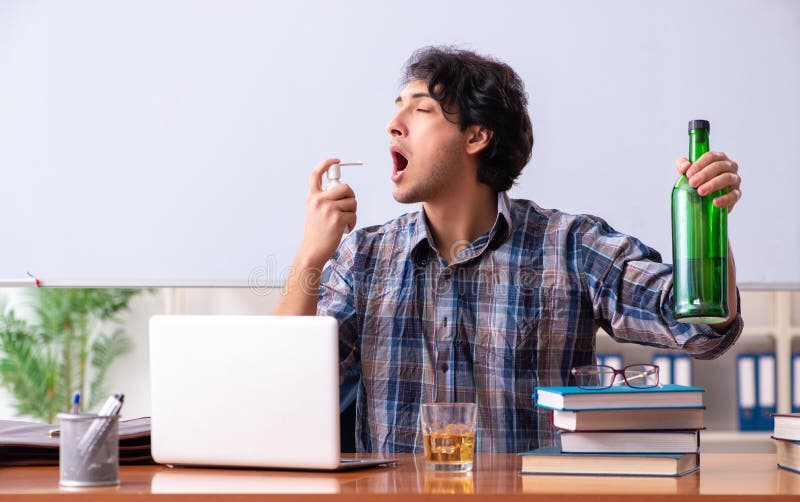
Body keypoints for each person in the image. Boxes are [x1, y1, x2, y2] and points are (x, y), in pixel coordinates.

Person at [274, 46, 744, 454]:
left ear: (476, 136)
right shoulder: (365, 257)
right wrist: (310, 256)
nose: (392, 125)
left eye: (419, 111)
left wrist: (711, 221)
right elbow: (285, 392)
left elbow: (702, 329)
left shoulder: (570, 246)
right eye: (397, 109)